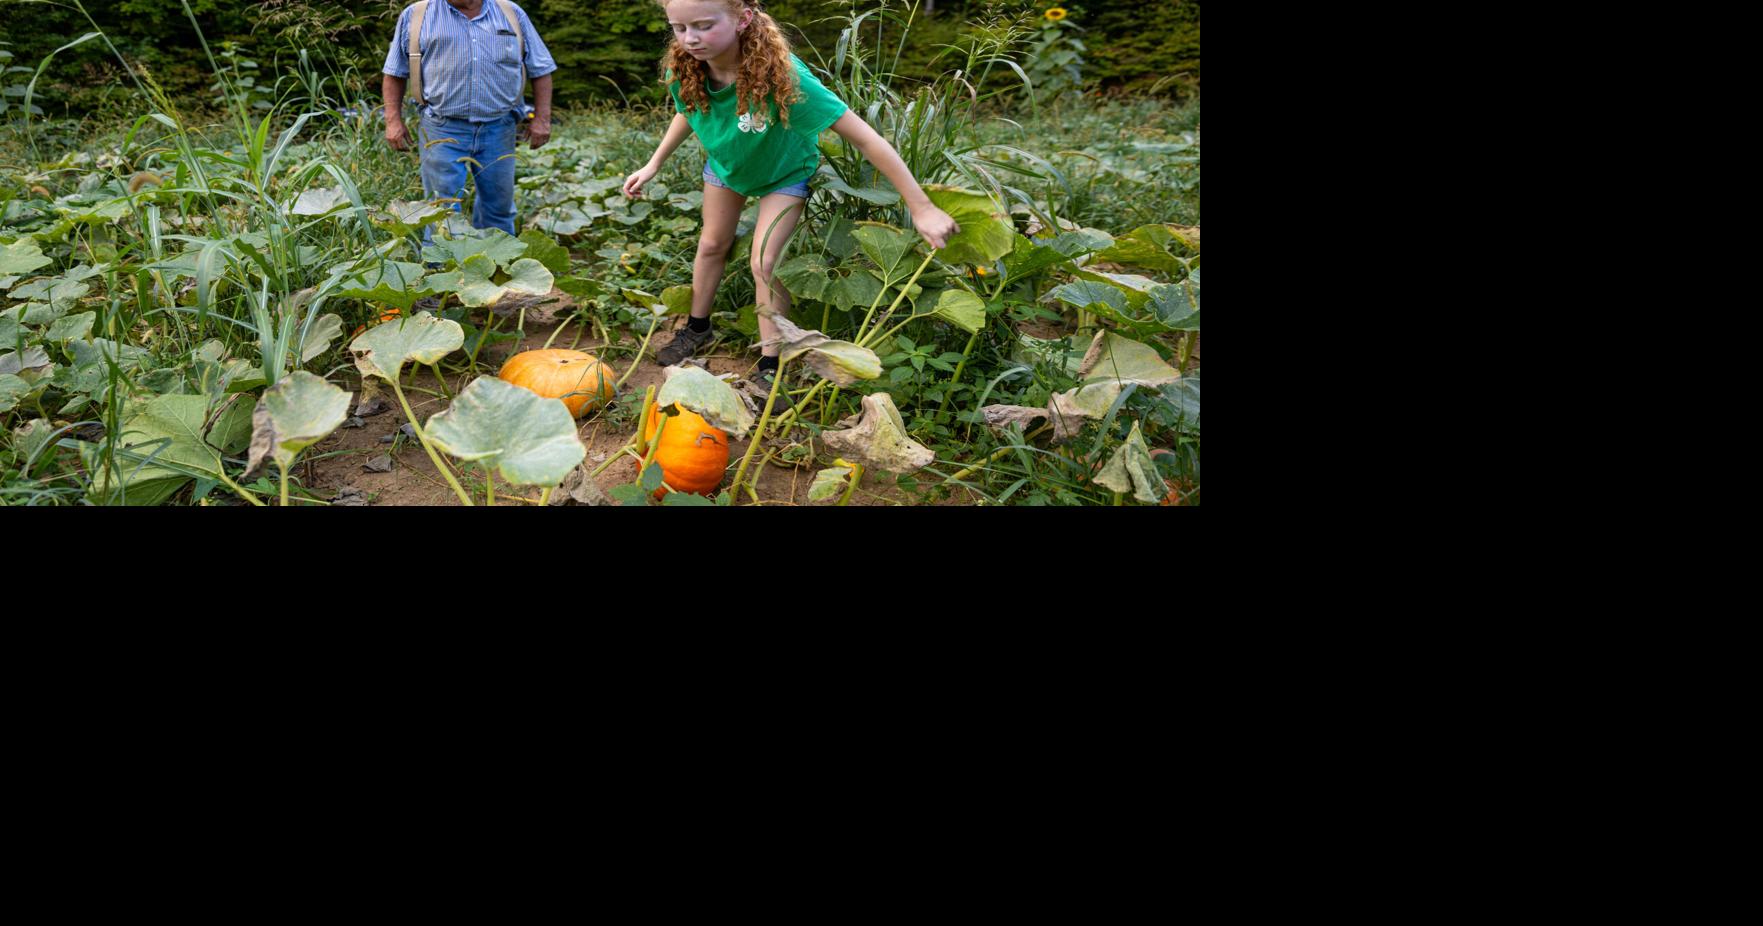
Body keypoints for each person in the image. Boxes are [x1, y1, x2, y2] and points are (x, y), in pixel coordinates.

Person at [622, 0, 958, 400]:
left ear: (743, 18)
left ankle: (770, 364)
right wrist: (654, 163)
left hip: (784, 173)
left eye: (703, 25)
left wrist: (921, 206)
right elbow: (689, 109)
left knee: (764, 261)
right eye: (679, 28)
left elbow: (866, 138)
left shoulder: (783, 76)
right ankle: (698, 327)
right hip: (728, 167)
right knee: (712, 244)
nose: (690, 38)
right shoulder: (684, 66)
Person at [381, 0, 557, 237]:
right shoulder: (417, 15)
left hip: (499, 126)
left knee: (498, 208)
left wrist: (542, 119)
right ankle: (442, 269)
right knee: (440, 211)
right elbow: (394, 72)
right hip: (441, 127)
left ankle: (496, 266)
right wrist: (393, 120)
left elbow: (541, 69)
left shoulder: (510, 13)